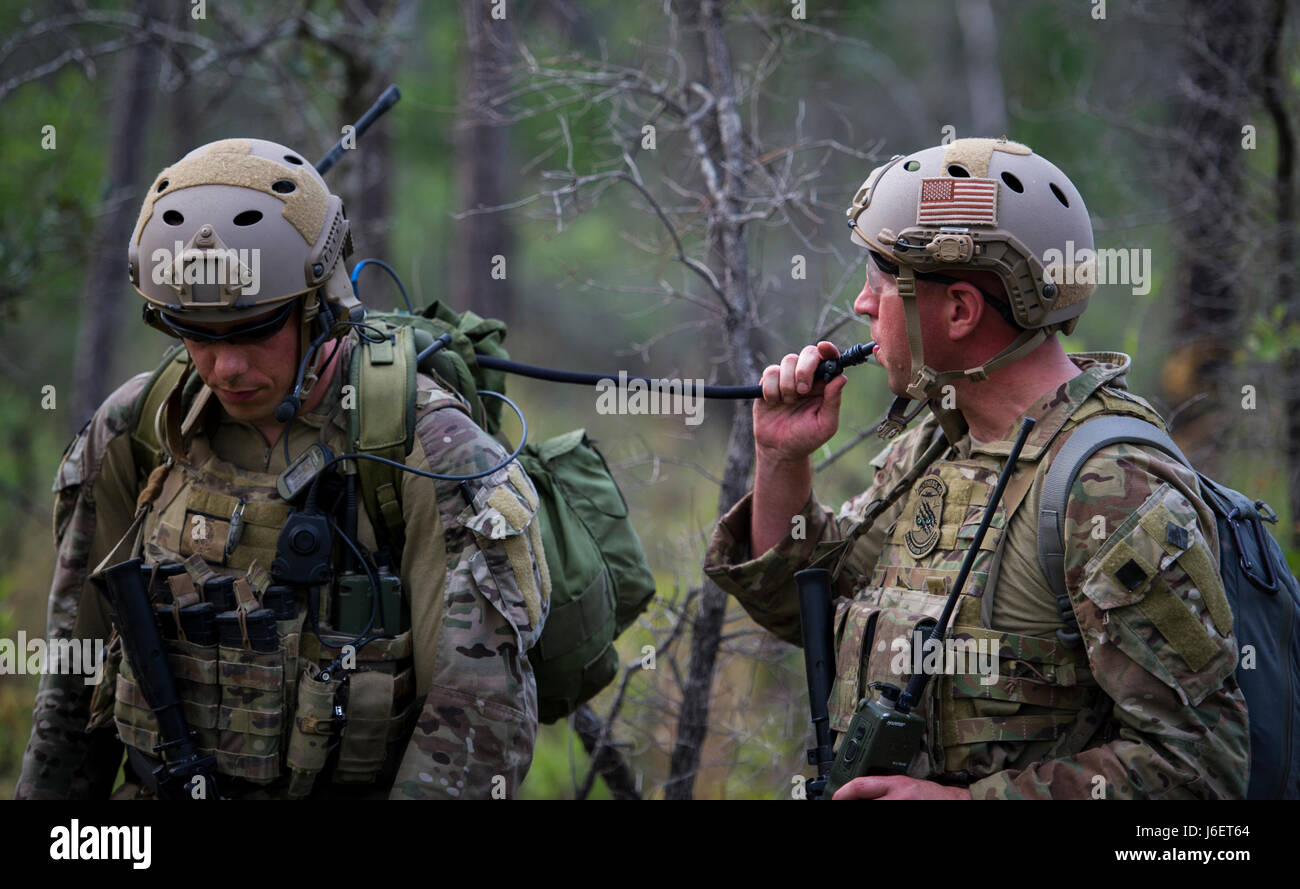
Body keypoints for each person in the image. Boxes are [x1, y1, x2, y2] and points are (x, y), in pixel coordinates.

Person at [704, 137, 1249, 799]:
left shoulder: (1108, 487)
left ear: (959, 310)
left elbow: (1206, 766)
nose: (861, 304)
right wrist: (782, 458)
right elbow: (799, 606)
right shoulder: (937, 443)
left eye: (880, 277)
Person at [16, 137, 550, 800]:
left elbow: (477, 724)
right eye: (197, 331)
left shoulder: (429, 448)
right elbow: (73, 688)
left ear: (320, 303)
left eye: (254, 328)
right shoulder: (139, 426)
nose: (226, 367)